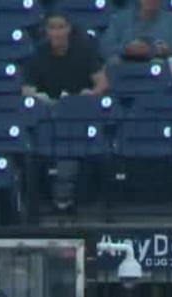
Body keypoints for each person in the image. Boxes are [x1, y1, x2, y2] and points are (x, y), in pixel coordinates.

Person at [22, 13, 109, 213]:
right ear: (47, 31)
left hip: (79, 115)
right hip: (50, 117)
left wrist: (91, 94)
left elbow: (102, 83)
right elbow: (26, 89)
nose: (57, 32)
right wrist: (39, 97)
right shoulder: (37, 55)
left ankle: (72, 197)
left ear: (69, 29)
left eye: (61, 27)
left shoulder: (84, 52)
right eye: (52, 27)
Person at [102, 0, 172, 65]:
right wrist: (126, 50)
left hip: (163, 73)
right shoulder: (119, 20)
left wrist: (170, 51)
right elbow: (106, 49)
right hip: (127, 71)